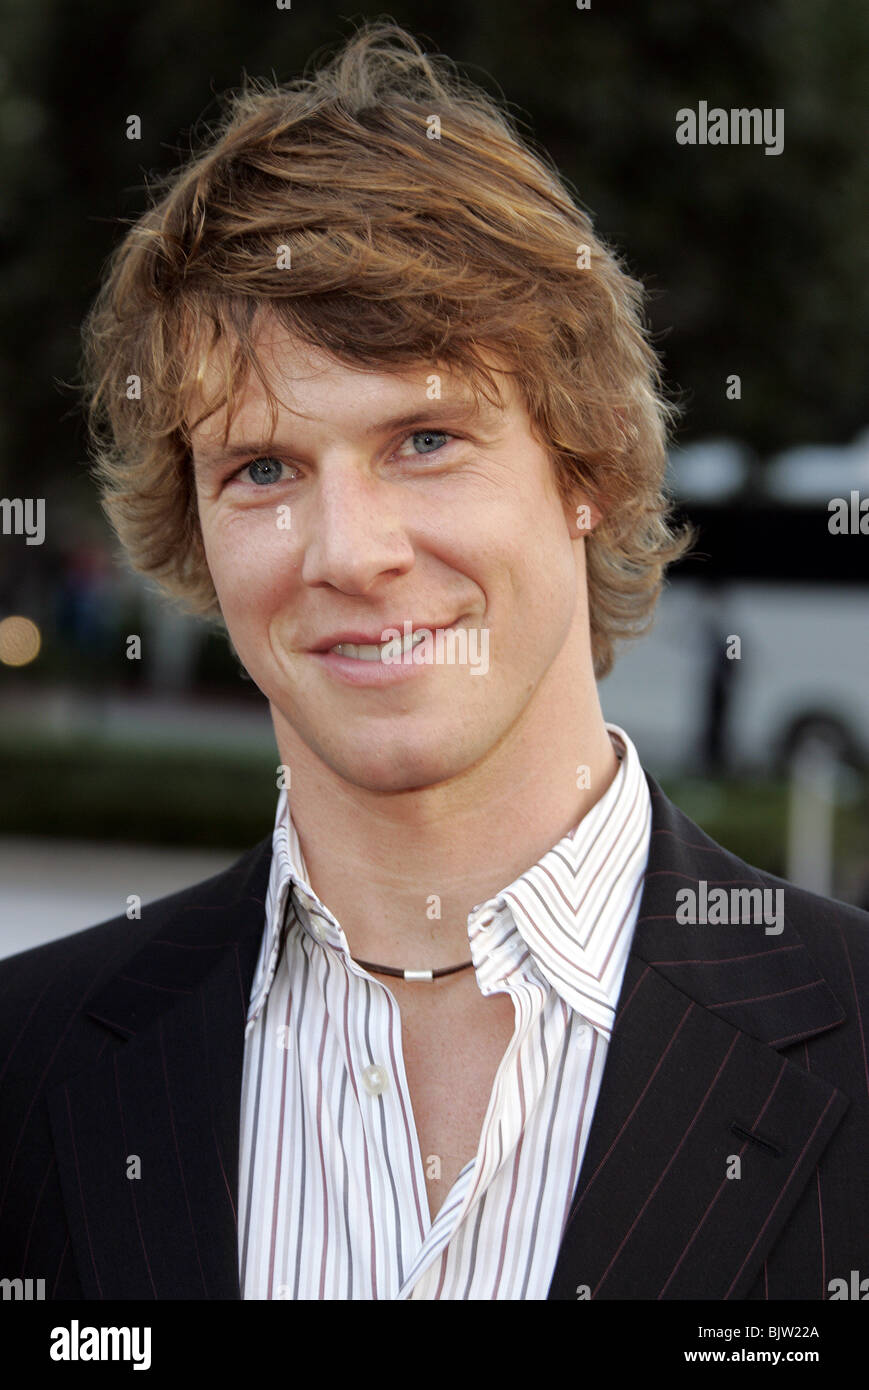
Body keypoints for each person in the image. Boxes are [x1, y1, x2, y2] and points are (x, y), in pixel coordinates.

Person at [1, 20, 867, 1301]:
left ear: (583, 466)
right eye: (263, 468)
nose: (348, 552)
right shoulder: (27, 1069)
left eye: (423, 438)